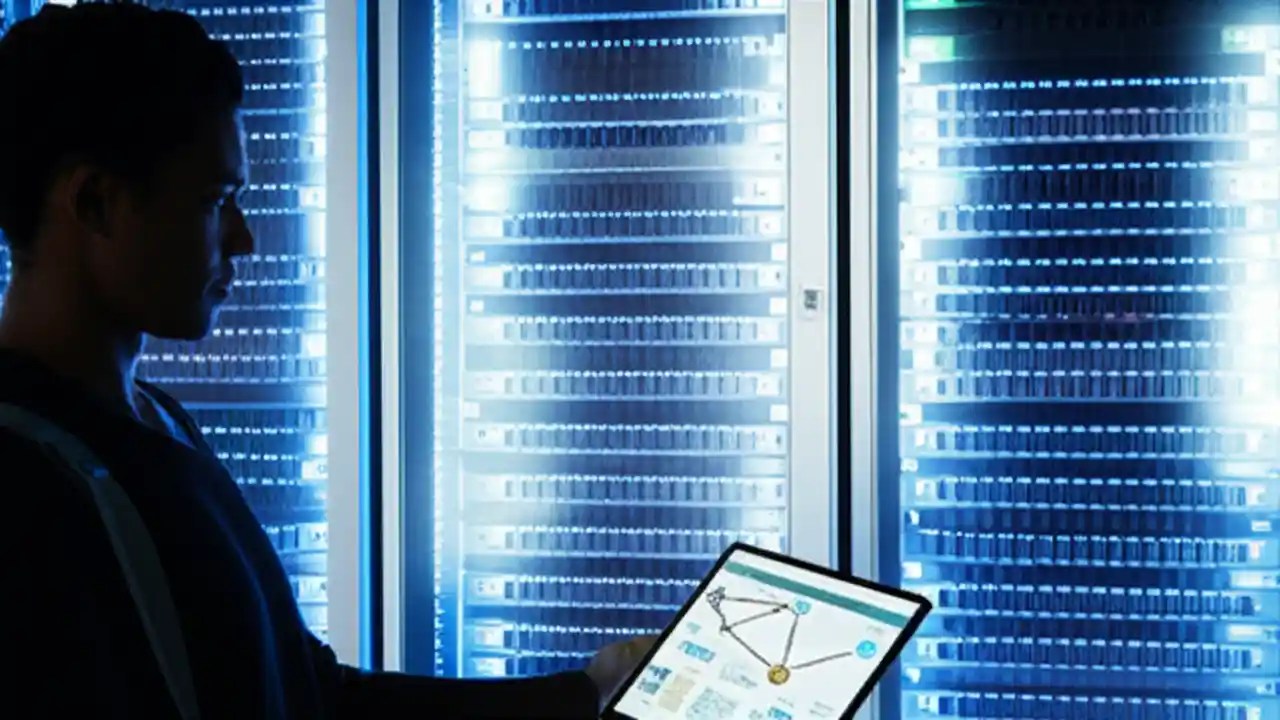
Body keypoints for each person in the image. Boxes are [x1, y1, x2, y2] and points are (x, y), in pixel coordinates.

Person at [0, 4, 651, 718]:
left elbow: (311, 694)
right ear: (95, 203)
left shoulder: (155, 423)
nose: (244, 240)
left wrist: (587, 691)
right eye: (216, 201)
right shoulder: (24, 483)